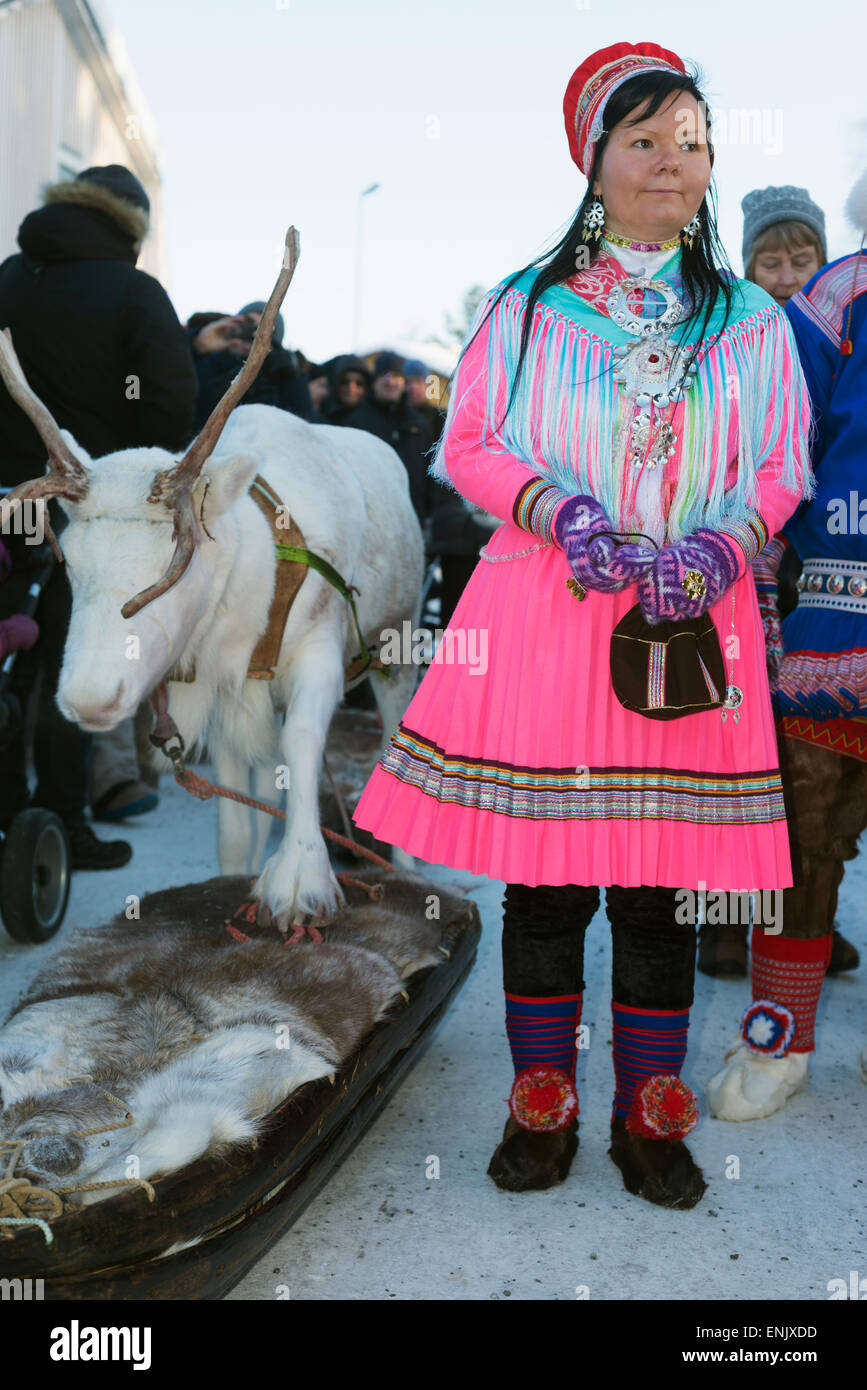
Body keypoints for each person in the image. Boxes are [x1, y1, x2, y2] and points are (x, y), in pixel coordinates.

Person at [352, 42, 813, 1207]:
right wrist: (563, 511)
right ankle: (540, 1103)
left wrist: (722, 542)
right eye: (646, 139)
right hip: (555, 614)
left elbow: (781, 461)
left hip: (692, 626)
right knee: (550, 884)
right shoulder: (527, 305)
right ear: (594, 162)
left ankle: (648, 1116)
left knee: (662, 885)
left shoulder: (749, 318)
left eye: (692, 140)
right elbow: (471, 444)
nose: (673, 160)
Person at [706, 172, 867, 1121]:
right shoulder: (835, 298)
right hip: (840, 608)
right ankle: (779, 1039)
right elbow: (777, 445)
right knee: (806, 826)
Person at [0, 164, 198, 869]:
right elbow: (172, 407)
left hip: (10, 501)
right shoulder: (134, 292)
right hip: (93, 511)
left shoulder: (10, 277)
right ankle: (60, 822)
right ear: (131, 227)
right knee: (67, 654)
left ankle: (11, 811)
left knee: (9, 655)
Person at [342, 351, 435, 536]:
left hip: (412, 519)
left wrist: (431, 516)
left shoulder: (419, 424)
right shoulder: (356, 422)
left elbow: (430, 475)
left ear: (403, 384)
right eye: (385, 375)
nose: (390, 381)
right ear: (375, 381)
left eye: (397, 377)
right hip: (369, 521)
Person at [188, 301, 312, 428]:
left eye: (264, 329)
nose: (253, 334)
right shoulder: (209, 361)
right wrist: (196, 346)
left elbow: (301, 424)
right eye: (248, 323)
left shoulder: (283, 376)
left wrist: (288, 374)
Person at [320, 355, 371, 424]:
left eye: (359, 383)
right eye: (344, 382)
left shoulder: (377, 420)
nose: (351, 388)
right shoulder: (319, 416)